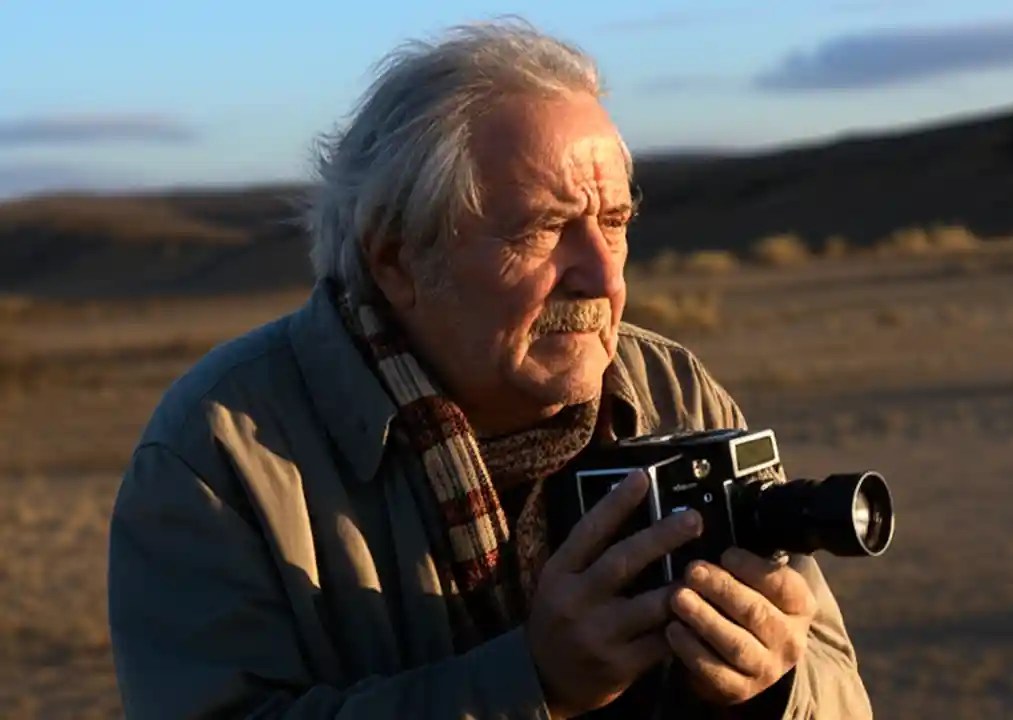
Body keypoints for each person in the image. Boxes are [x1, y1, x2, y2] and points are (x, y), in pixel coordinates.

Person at [107, 20, 874, 719]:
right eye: (544, 229)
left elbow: (838, 688)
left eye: (613, 223)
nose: (603, 277)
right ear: (398, 259)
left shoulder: (670, 389)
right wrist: (534, 684)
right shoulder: (221, 452)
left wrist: (773, 687)